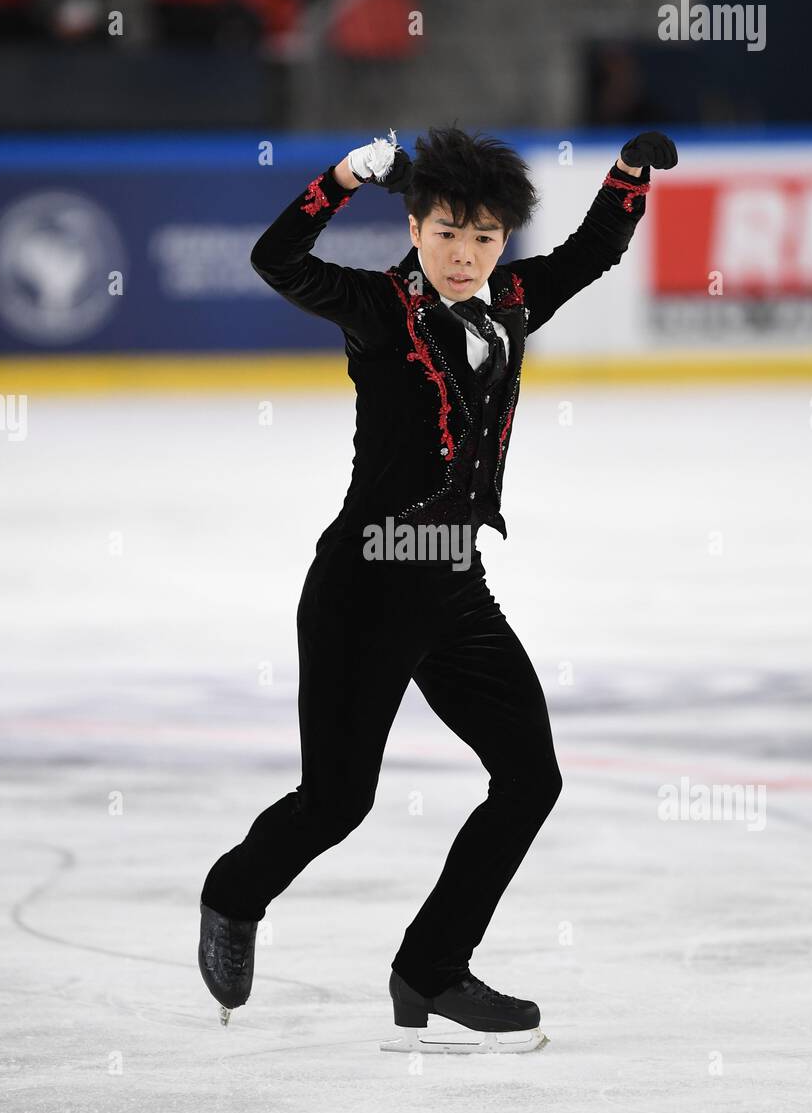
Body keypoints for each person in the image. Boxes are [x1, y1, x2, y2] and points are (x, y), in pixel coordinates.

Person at [198, 123, 678, 1053]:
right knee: (338, 802)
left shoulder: (518, 299)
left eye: (486, 236)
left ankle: (429, 970)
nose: (465, 255)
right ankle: (234, 890)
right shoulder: (377, 307)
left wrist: (628, 175)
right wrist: (338, 181)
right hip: (365, 583)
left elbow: (594, 250)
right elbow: (274, 257)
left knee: (530, 778)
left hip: (454, 587)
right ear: (415, 226)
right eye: (448, 232)